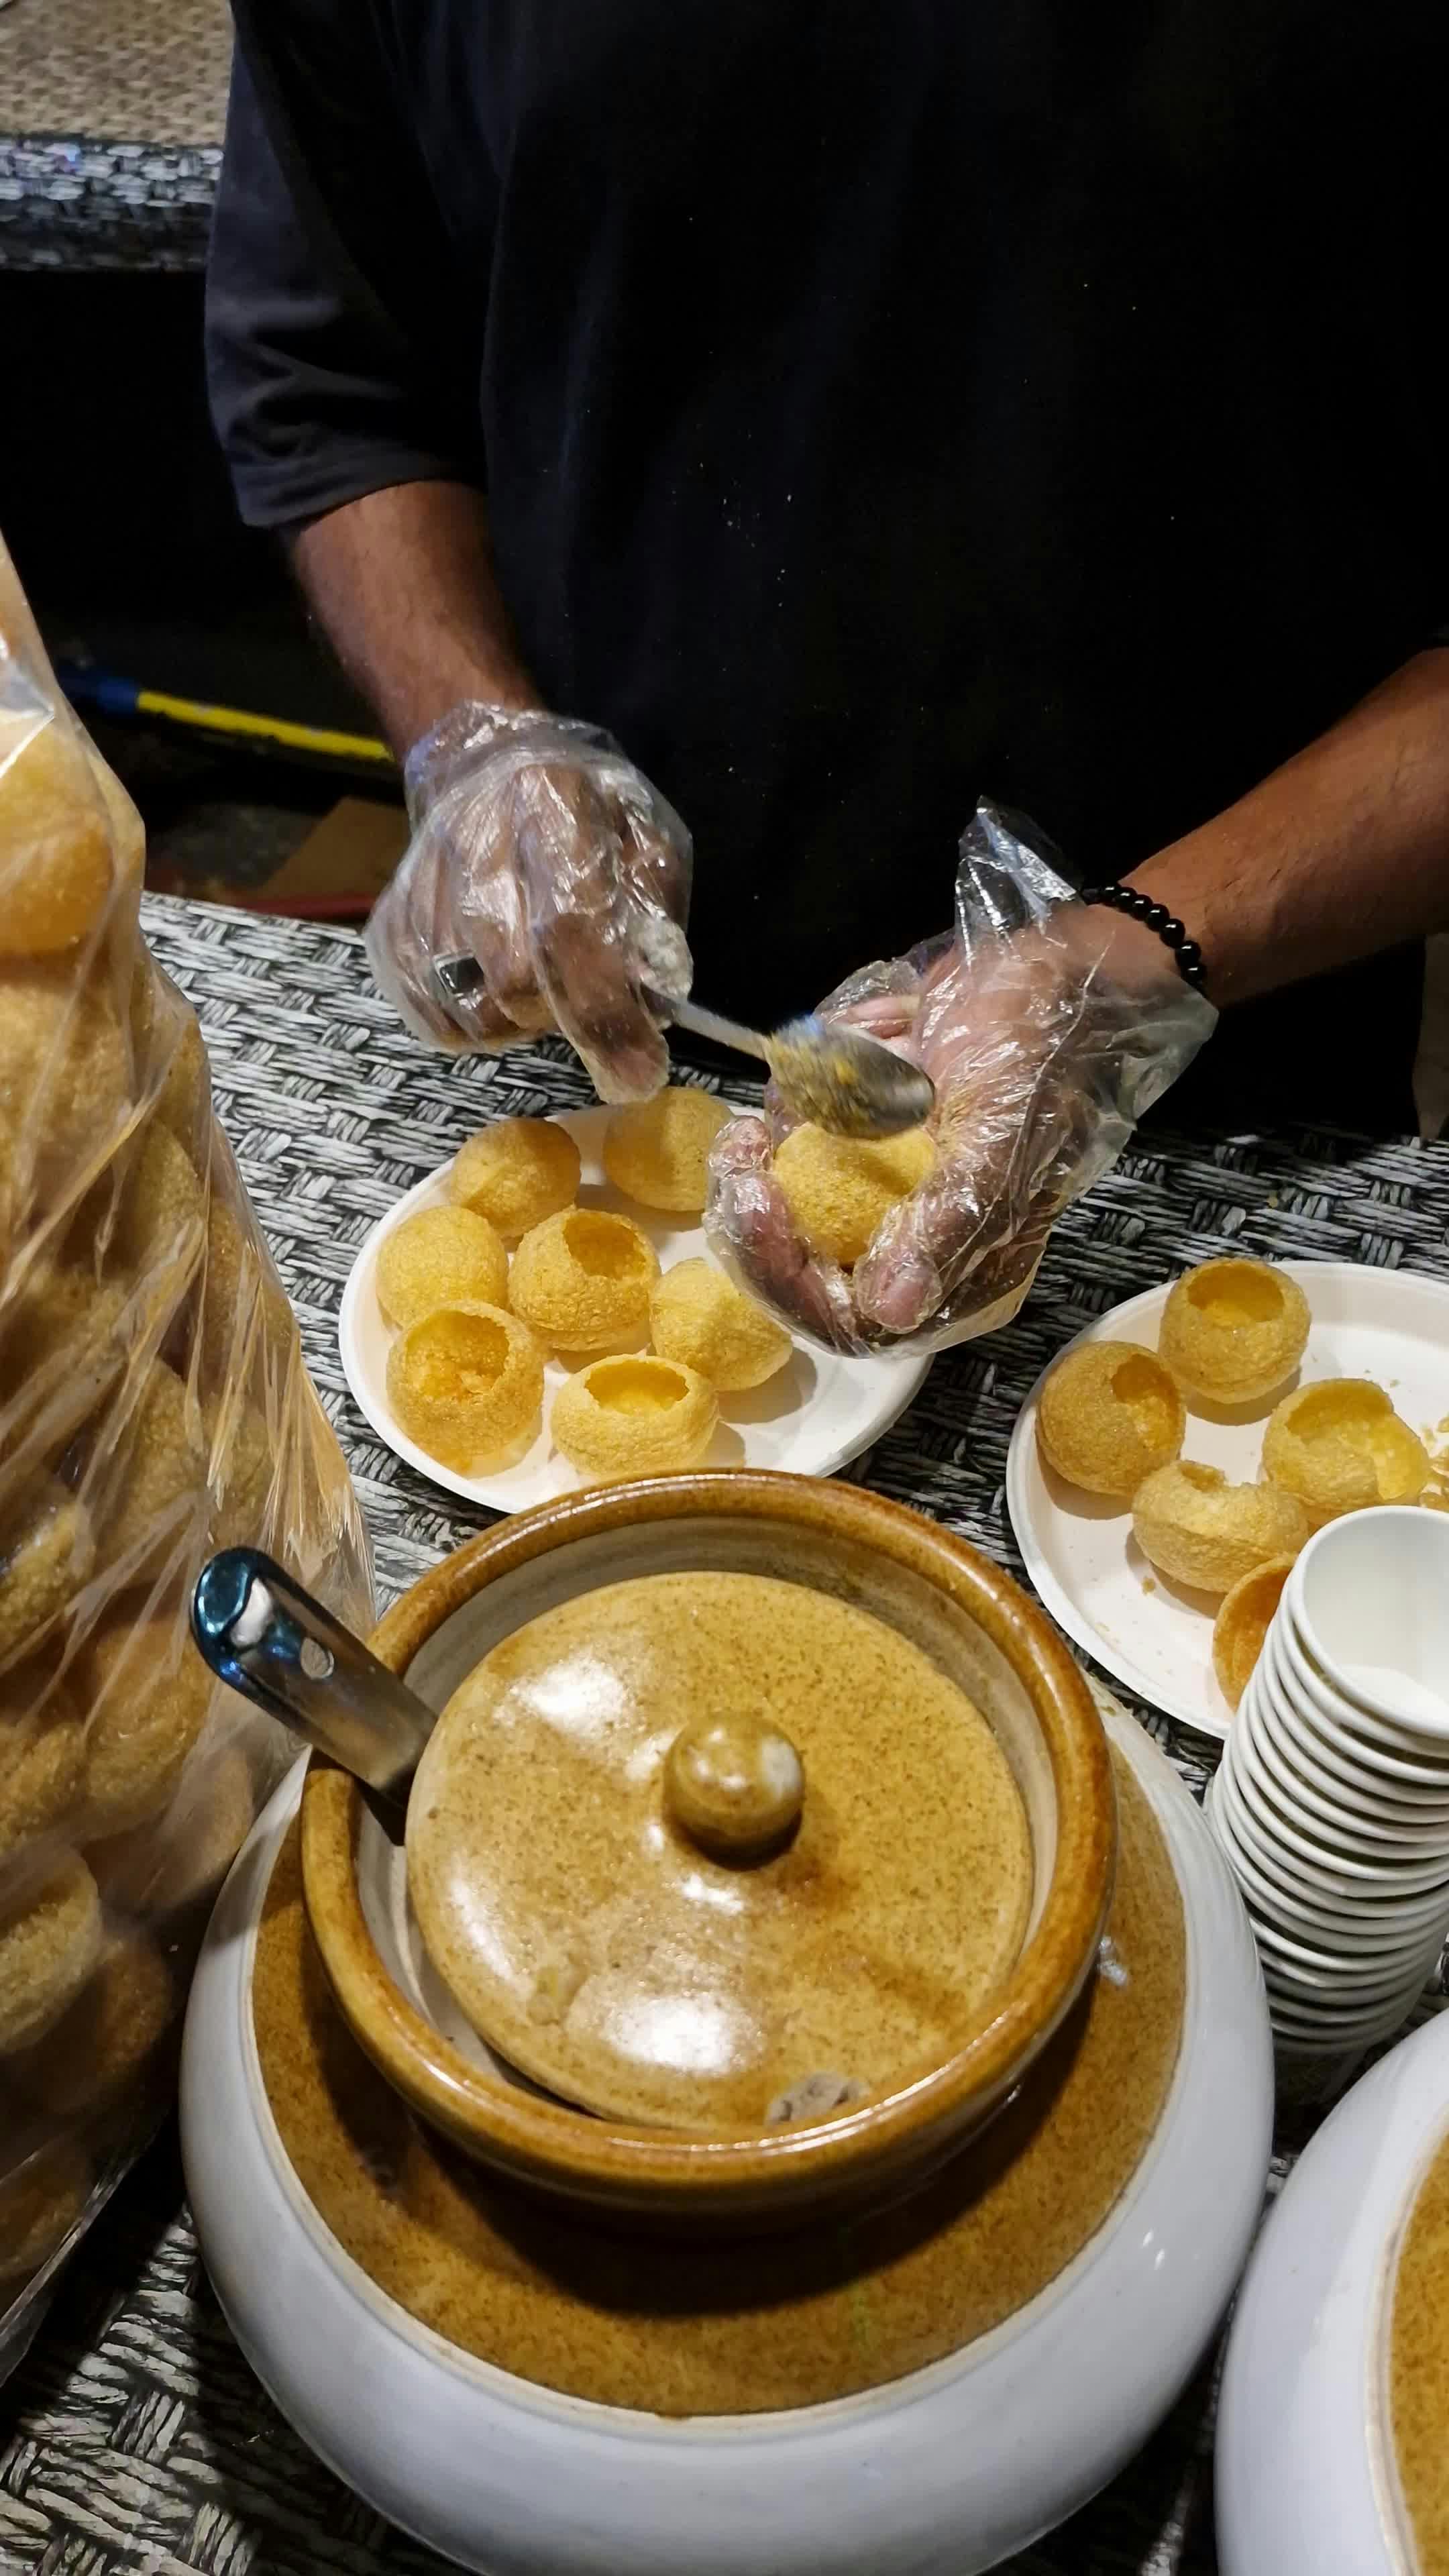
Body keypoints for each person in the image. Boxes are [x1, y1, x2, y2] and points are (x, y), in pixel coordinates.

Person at [206, 1, 1449, 1349]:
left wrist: (1133, 967)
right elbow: (337, 375)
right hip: (600, 1074)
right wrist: (479, 740)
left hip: (1227, 1121)